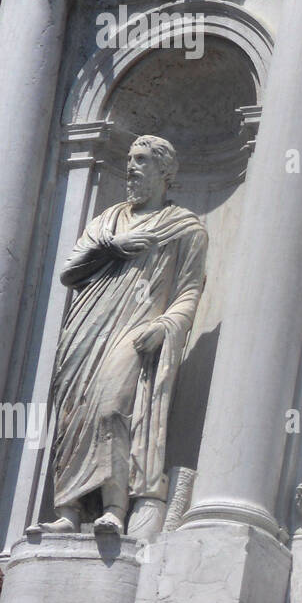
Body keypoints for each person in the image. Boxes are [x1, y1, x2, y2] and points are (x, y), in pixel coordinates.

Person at [42, 135, 207, 537]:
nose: (130, 168)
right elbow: (69, 271)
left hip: (135, 328)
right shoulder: (106, 222)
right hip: (85, 325)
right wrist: (115, 247)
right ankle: (68, 510)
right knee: (72, 412)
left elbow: (189, 291)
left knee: (112, 406)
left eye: (141, 161)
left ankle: (116, 507)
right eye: (129, 160)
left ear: (164, 171)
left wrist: (164, 325)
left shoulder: (185, 228)